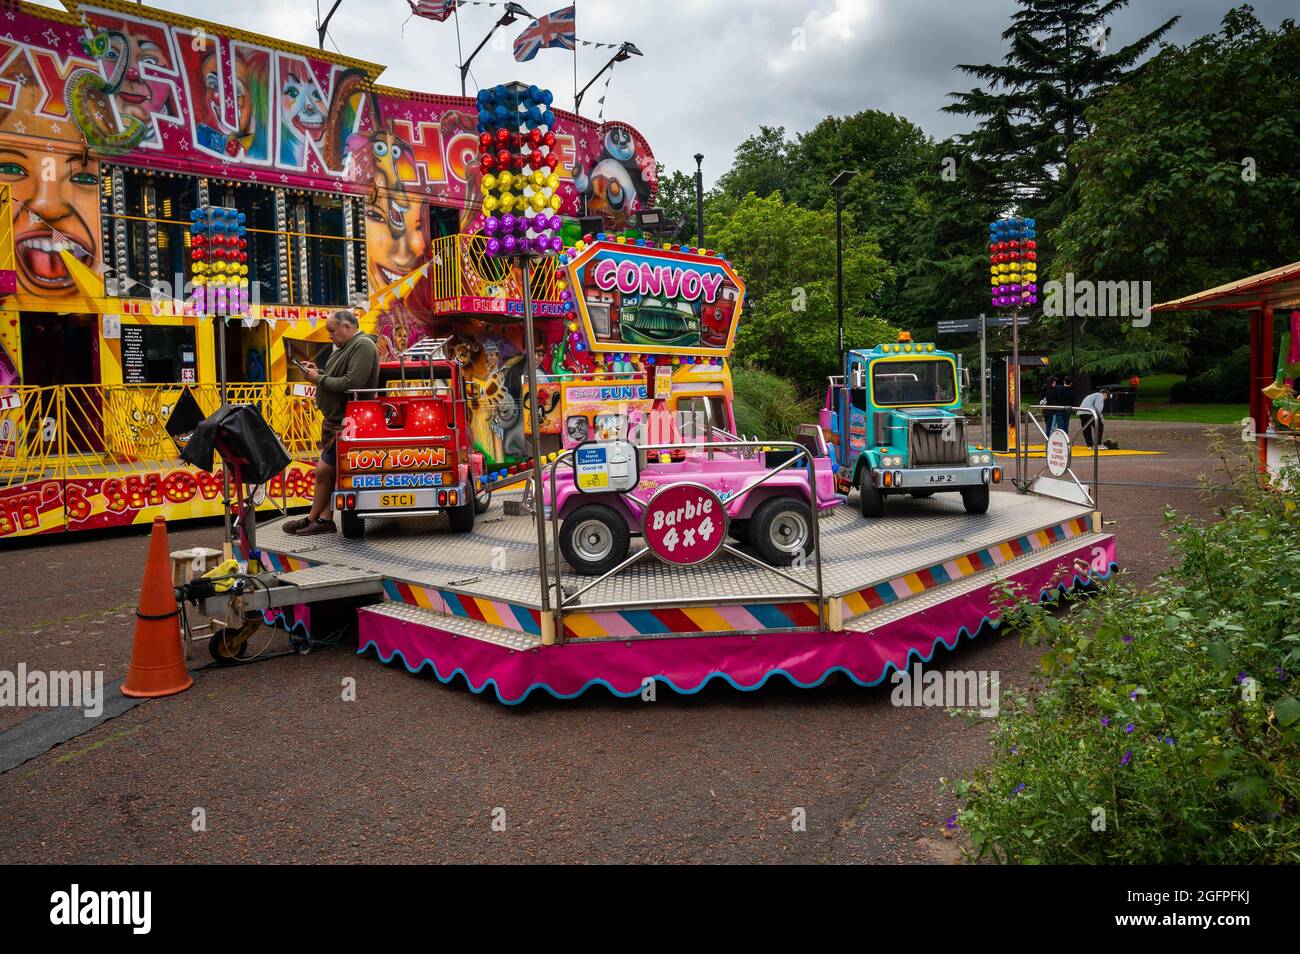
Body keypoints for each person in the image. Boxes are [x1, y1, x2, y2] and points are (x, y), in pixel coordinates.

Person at [283, 309, 380, 535]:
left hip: (348, 421)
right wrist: (321, 373)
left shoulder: (363, 345)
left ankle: (313, 518)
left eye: (332, 331)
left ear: (347, 326)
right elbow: (339, 376)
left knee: (324, 471)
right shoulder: (347, 347)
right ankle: (322, 519)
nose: (330, 336)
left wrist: (319, 379)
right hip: (338, 420)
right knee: (327, 472)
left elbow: (352, 382)